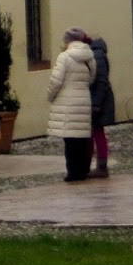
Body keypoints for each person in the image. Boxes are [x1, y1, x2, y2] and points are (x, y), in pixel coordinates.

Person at [46, 28, 96, 182]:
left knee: (70, 141)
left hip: (67, 102)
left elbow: (56, 81)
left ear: (67, 41)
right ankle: (82, 170)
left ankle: (73, 172)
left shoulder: (64, 57)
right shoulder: (90, 57)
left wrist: (50, 95)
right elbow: (92, 79)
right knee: (81, 139)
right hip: (83, 99)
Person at [85, 32, 116, 178]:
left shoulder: (96, 56)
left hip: (99, 101)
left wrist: (96, 103)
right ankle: (96, 165)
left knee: (97, 132)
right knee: (94, 132)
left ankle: (101, 166)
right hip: (98, 99)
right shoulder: (97, 54)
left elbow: (101, 80)